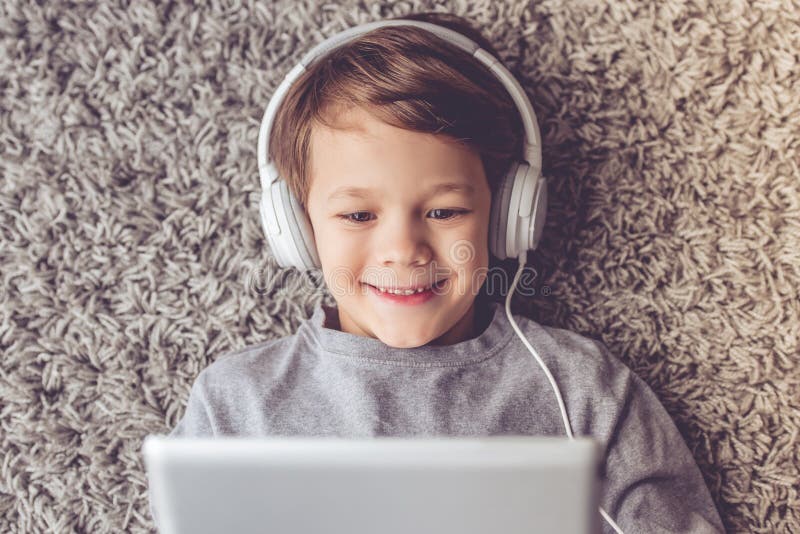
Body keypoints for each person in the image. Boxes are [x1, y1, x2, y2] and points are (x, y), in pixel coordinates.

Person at [148, 12, 725, 533]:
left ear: (508, 218)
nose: (403, 249)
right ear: (296, 229)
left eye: (445, 211)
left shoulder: (580, 388)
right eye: (357, 214)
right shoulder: (237, 402)